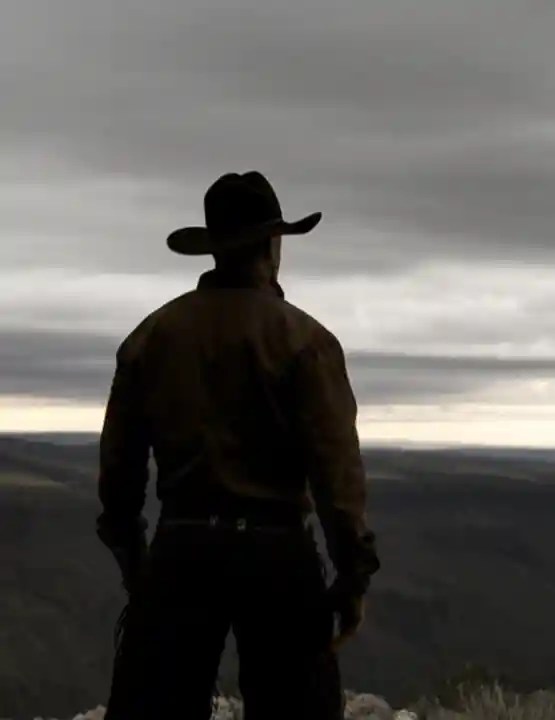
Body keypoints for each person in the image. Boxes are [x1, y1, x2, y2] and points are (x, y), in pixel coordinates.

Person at [96, 171, 380, 719]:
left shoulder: (152, 336)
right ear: (273, 244)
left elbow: (119, 468)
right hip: (278, 557)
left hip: (180, 549)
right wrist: (351, 576)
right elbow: (336, 472)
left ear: (215, 247)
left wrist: (136, 562)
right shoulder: (306, 341)